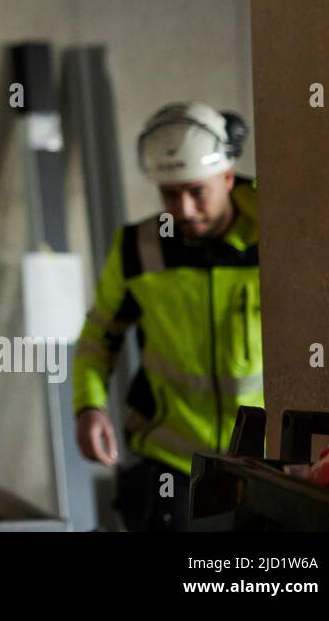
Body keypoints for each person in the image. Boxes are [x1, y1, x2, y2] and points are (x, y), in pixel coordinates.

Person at [73, 101, 261, 531]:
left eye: (198, 191)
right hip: (171, 464)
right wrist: (88, 407)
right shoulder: (139, 249)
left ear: (228, 178)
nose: (185, 209)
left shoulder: (280, 239)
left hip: (267, 463)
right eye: (170, 193)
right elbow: (98, 338)